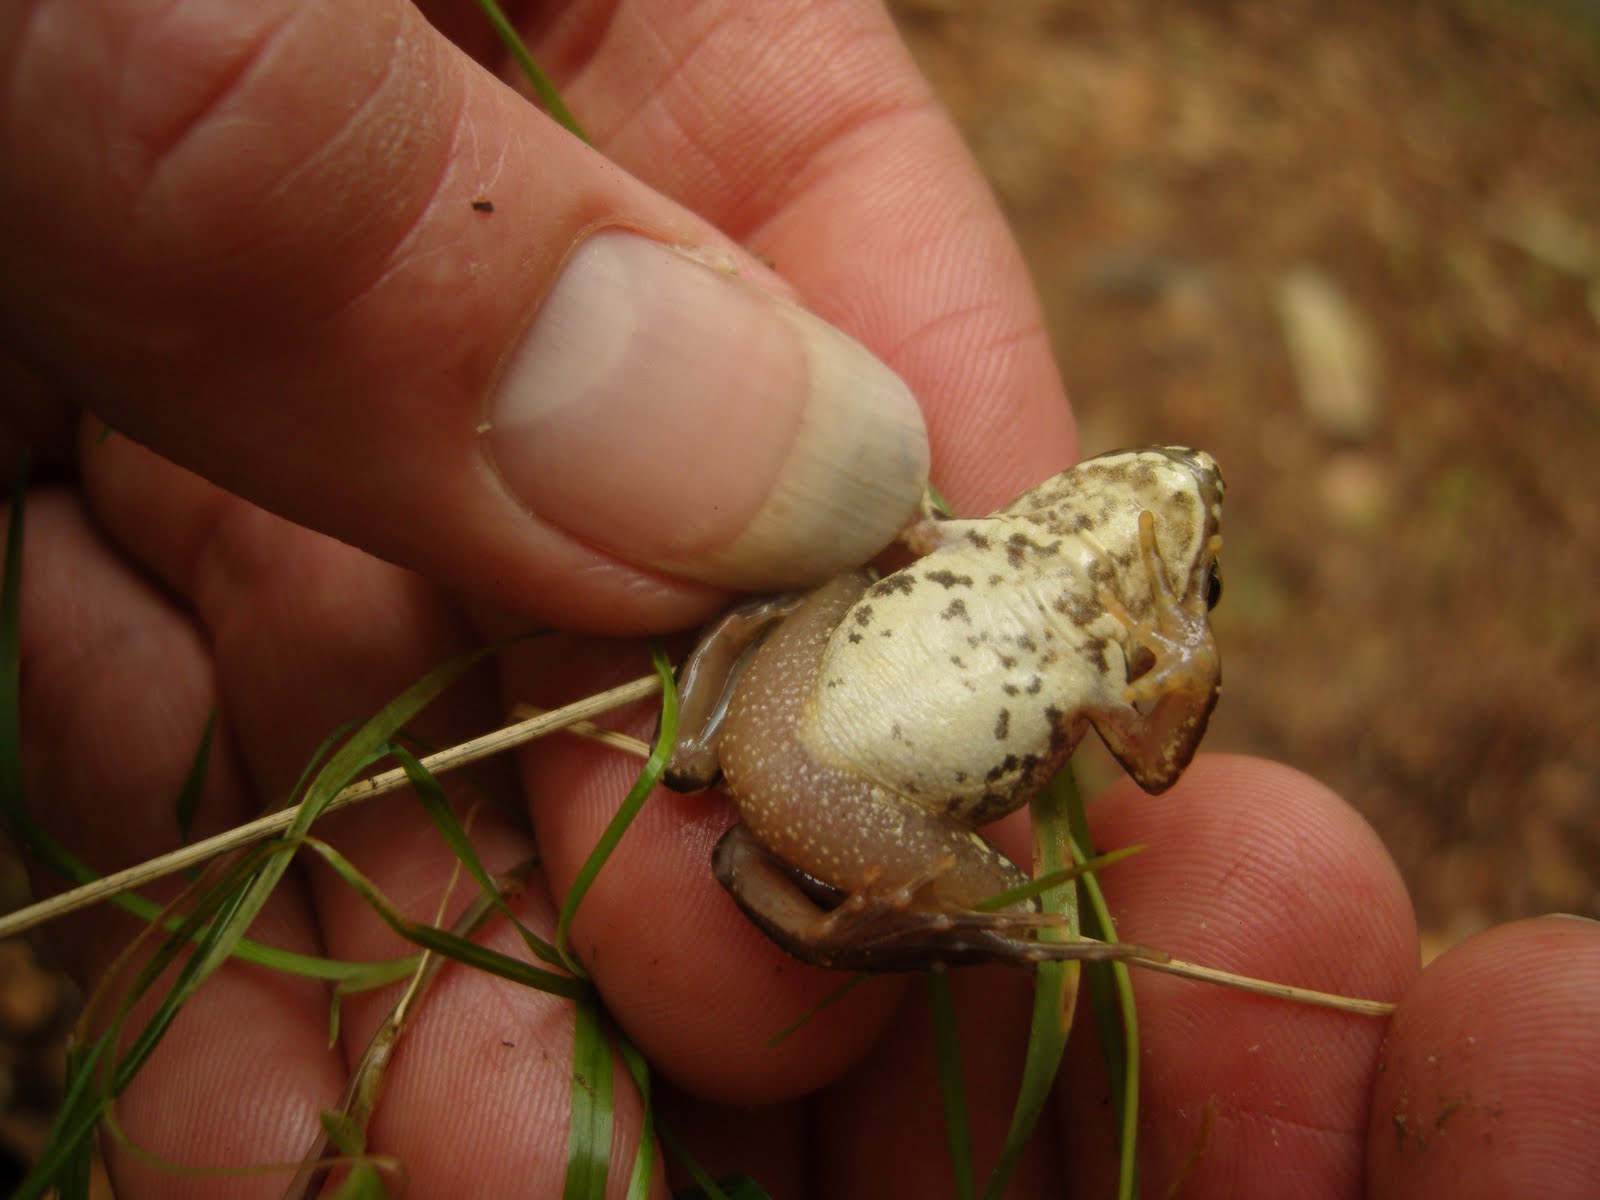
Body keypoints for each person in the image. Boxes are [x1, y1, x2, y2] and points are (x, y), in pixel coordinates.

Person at [2, 3, 1594, 1197]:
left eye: (1177, 538)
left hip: (780, 734)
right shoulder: (1065, 587)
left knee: (947, 845)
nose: (1143, 528)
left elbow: (1119, 723)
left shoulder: (1080, 601)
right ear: (1085, 509)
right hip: (806, 769)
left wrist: (1149, 639)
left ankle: (782, 831)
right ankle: (850, 897)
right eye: (1141, 507)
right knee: (1002, 895)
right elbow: (1102, 714)